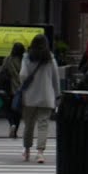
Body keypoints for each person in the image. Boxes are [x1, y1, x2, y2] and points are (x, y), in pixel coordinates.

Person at [18, 34, 61, 163]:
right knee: (43, 125)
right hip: (46, 97)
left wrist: (23, 86)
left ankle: (26, 151)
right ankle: (40, 153)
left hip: (29, 97)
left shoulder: (27, 57)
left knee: (29, 125)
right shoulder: (50, 58)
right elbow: (55, 79)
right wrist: (57, 95)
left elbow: (23, 75)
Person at [1, 42, 26, 138]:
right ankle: (15, 132)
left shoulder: (7, 59)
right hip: (21, 89)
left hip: (9, 89)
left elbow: (2, 71)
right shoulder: (24, 61)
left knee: (7, 109)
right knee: (18, 112)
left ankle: (12, 124)